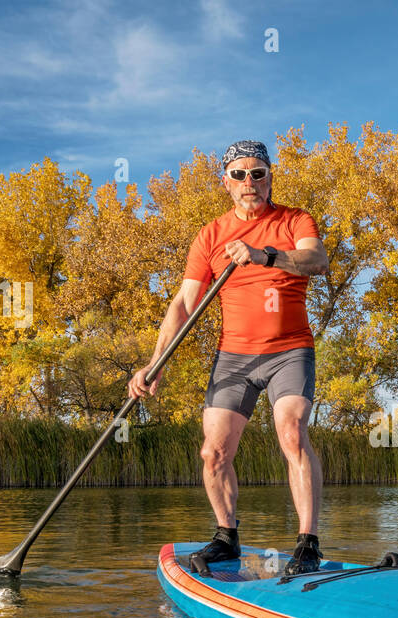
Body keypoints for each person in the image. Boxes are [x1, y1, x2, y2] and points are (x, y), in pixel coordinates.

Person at [128, 140, 329, 574]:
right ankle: (226, 537)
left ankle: (308, 543)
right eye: (239, 174)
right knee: (212, 453)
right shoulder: (211, 235)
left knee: (291, 430)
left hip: (289, 350)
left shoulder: (294, 220)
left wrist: (264, 256)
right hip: (233, 358)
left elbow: (317, 260)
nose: (249, 182)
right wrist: (154, 362)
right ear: (226, 182)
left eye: (258, 173)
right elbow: (183, 304)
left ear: (270, 176)